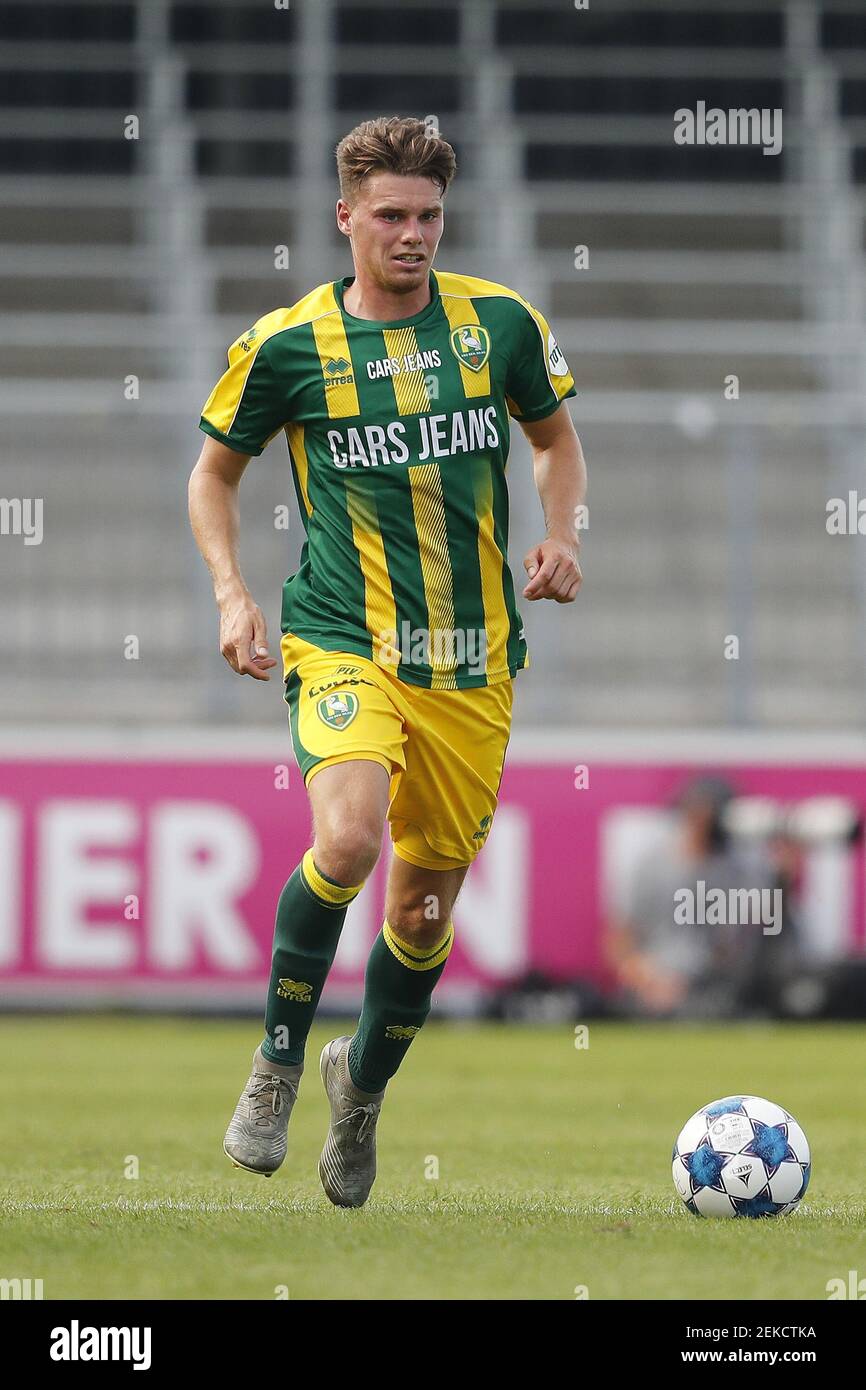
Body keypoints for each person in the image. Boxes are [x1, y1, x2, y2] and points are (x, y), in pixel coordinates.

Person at [188, 115, 587, 1207]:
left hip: (471, 660)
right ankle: (275, 1061)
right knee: (350, 836)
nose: (412, 235)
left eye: (428, 217)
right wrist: (230, 593)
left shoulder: (498, 325)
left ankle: (355, 1087)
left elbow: (552, 441)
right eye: (391, 217)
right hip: (341, 635)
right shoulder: (287, 345)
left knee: (419, 916)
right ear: (346, 219)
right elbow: (212, 476)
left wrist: (562, 531)